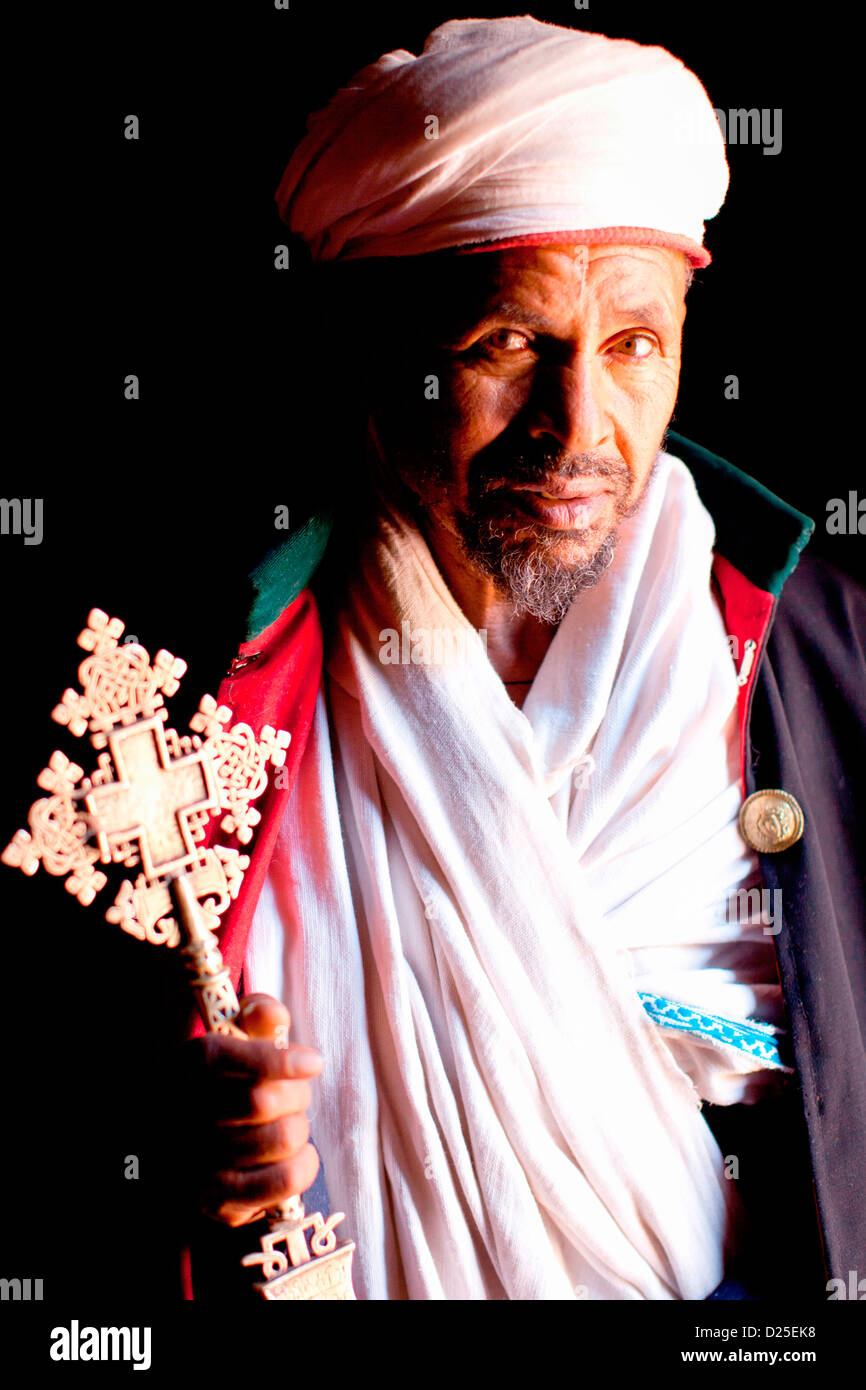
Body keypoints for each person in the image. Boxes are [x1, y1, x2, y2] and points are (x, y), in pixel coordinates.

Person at [184, 17, 865, 1301]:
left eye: (631, 348)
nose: (578, 429)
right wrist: (162, 1128)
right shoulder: (208, 671)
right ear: (370, 352)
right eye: (504, 345)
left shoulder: (823, 653)